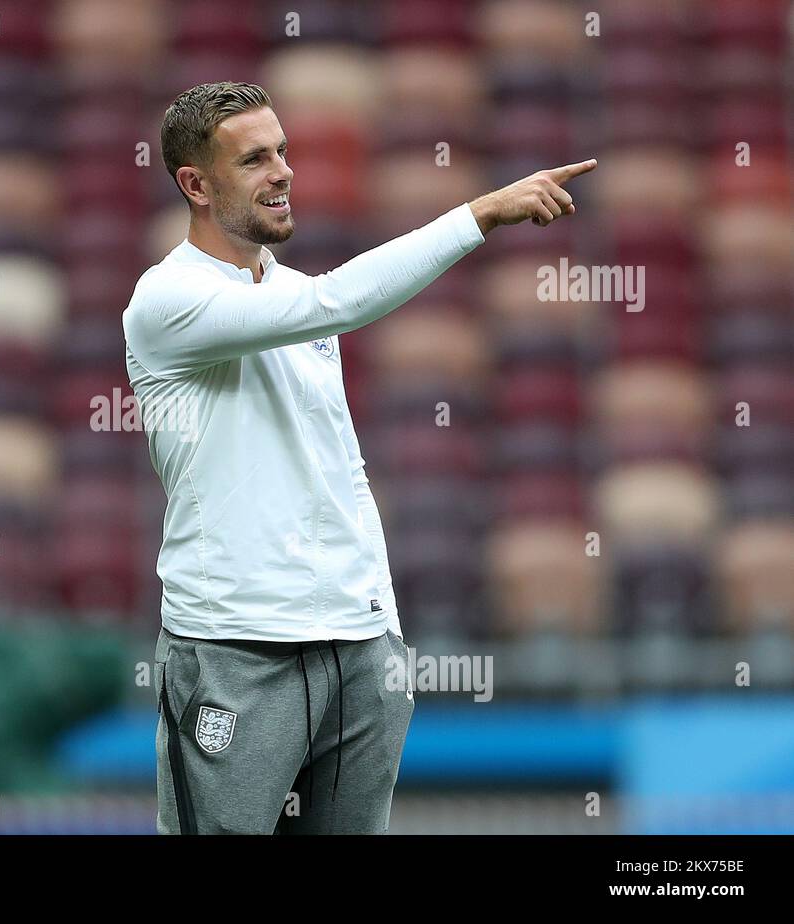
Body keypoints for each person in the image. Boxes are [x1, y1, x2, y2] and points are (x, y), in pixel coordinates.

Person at [125, 81, 595, 834]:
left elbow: (337, 461)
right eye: (254, 159)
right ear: (196, 185)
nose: (282, 171)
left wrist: (382, 624)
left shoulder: (295, 296)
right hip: (236, 647)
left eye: (282, 151)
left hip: (359, 641)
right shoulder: (167, 301)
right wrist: (480, 213)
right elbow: (339, 301)